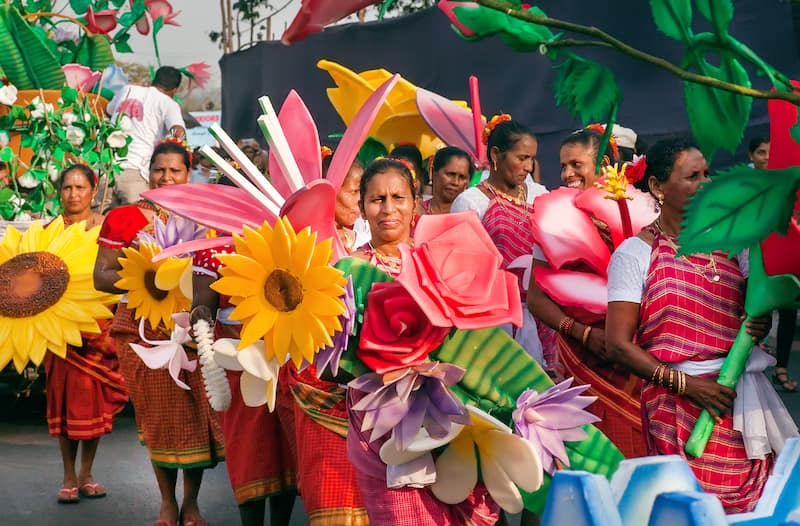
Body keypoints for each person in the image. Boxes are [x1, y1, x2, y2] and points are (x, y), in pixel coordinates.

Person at [605, 137, 797, 513]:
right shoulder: (635, 254)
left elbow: (752, 306)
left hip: (737, 399)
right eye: (693, 176)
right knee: (690, 510)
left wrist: (756, 321)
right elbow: (617, 344)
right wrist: (687, 386)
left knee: (751, 509)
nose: (706, 183)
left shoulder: (736, 244)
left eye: (708, 174)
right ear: (658, 187)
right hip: (674, 405)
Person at [93, 140, 223, 526]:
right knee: (159, 417)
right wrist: (151, 280)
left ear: (189, 172)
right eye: (160, 169)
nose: (166, 177)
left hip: (193, 326)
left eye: (175, 170)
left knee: (194, 413)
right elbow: (101, 275)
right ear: (149, 171)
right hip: (141, 328)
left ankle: (192, 502)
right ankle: (167, 502)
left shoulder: (205, 218)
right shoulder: (125, 218)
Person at [527, 128, 648, 458]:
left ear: (605, 163)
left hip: (641, 360)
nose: (567, 174)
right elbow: (536, 298)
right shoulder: (553, 220)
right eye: (563, 165)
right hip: (582, 358)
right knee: (591, 457)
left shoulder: (643, 213)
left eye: (576, 164)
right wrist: (582, 333)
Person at [272, 157, 371, 526]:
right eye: (354, 191)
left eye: (366, 192)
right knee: (327, 484)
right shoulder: (306, 243)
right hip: (319, 380)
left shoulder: (374, 240)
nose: (361, 201)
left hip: (372, 386)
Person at [192, 244, 297, 526]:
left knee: (286, 448)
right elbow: (202, 306)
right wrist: (200, 321)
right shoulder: (213, 252)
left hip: (282, 351)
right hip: (237, 358)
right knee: (248, 450)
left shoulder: (284, 242)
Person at [44, 164, 127, 504]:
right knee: (63, 403)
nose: (73, 194)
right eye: (67, 188)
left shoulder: (106, 229)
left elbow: (119, 273)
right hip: (59, 330)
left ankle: (87, 473)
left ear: (94, 192)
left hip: (98, 327)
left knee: (95, 401)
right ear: (59, 192)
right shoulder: (48, 230)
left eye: (80, 188)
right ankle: (67, 474)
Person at [451, 118, 548, 365]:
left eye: (531, 159)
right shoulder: (470, 203)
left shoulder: (540, 196)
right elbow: (461, 273)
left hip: (540, 316)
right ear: (496, 154)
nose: (528, 167)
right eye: (521, 158)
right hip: (492, 320)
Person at [98, 66, 186, 212]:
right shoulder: (169, 103)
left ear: (154, 80)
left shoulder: (127, 90)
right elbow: (178, 129)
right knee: (137, 226)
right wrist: (175, 137)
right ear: (175, 90)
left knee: (98, 226)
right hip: (136, 172)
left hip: (106, 170)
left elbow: (108, 110)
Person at [420, 146, 471, 215]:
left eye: (462, 177)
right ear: (433, 172)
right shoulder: (416, 212)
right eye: (450, 174)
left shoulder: (469, 217)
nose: (455, 182)